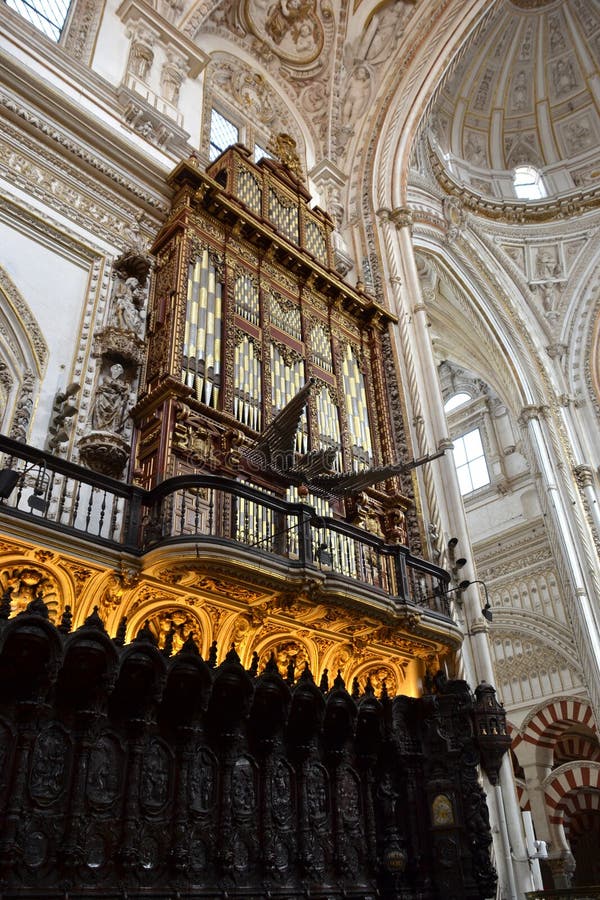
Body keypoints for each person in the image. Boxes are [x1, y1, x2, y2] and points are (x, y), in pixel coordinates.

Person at [90, 363, 130, 431]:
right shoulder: (107, 378)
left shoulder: (120, 382)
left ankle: (112, 427)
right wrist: (124, 387)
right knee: (102, 404)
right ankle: (100, 426)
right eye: (115, 369)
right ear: (112, 370)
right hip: (105, 397)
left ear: (121, 373)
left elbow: (122, 390)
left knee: (120, 408)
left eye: (119, 370)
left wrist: (125, 389)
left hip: (116, 399)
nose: (117, 371)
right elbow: (114, 384)